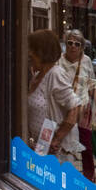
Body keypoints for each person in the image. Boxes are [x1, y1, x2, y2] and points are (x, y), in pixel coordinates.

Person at [27, 29, 81, 160]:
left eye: (32, 50)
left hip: (56, 153)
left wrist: (56, 140)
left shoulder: (55, 74)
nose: (29, 54)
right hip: (41, 148)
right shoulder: (36, 77)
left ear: (42, 52)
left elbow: (74, 107)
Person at [59, 30, 96, 181]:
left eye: (77, 44)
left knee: (85, 144)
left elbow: (92, 83)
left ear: (81, 47)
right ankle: (65, 174)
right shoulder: (59, 61)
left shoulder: (86, 61)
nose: (73, 46)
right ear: (65, 44)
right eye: (70, 43)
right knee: (64, 142)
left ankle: (89, 177)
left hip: (83, 109)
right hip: (64, 109)